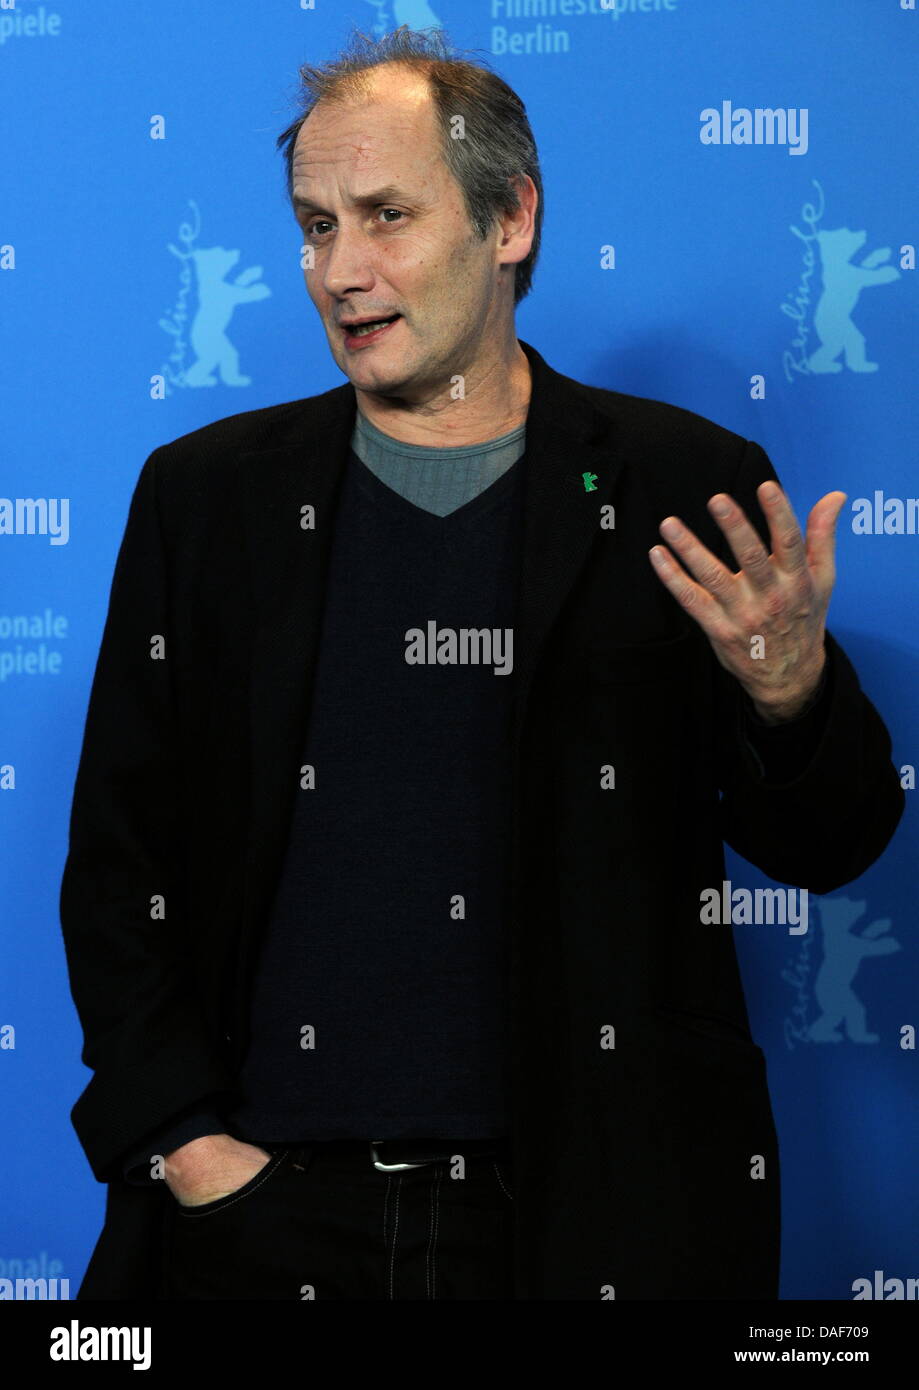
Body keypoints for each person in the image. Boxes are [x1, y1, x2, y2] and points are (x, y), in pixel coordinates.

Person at [60, 26, 905, 1301]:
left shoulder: (685, 487)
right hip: (257, 1224)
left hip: (593, 1229)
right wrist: (188, 1149)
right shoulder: (207, 501)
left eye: (386, 216)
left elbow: (830, 844)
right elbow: (124, 863)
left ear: (509, 219)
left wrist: (787, 689)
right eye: (314, 224)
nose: (341, 270)